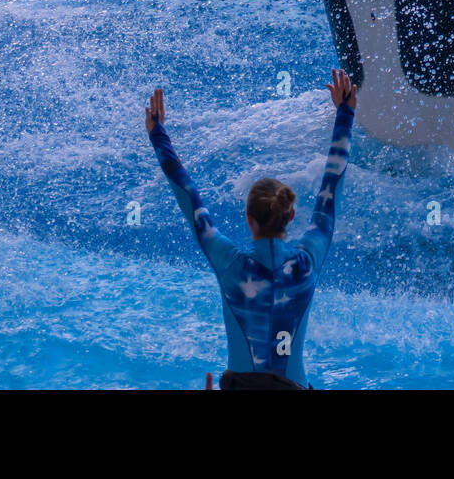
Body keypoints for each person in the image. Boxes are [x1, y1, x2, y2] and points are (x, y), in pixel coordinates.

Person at [146, 69, 357, 390]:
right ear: (291, 216)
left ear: (248, 219)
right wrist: (345, 113)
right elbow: (331, 186)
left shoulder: (231, 263)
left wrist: (159, 134)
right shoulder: (306, 263)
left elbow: (190, 198)